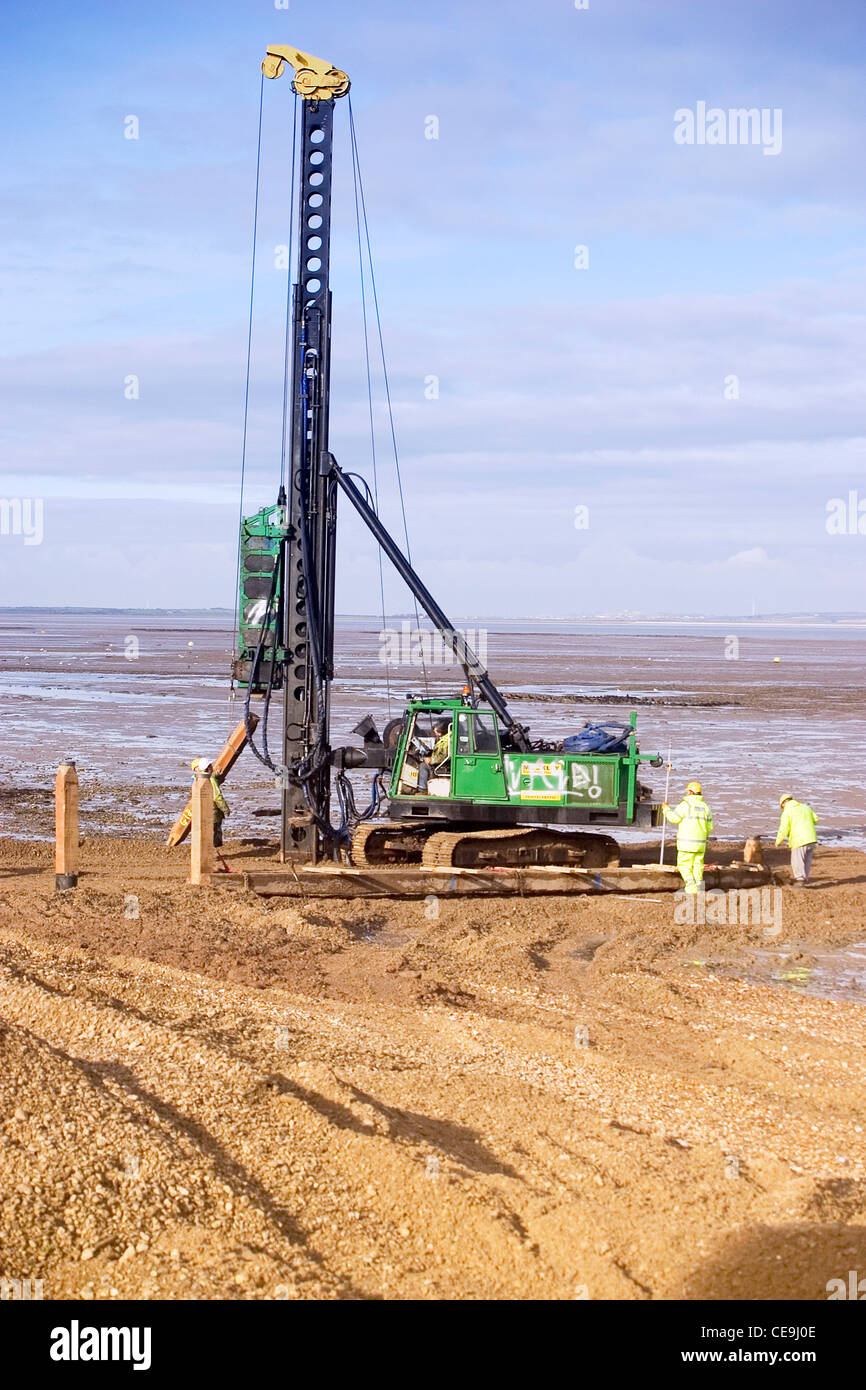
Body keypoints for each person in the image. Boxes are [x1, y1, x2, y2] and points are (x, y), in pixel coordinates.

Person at [662, 780, 714, 895]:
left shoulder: (686, 805)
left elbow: (674, 818)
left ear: (690, 792)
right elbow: (710, 827)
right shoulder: (706, 807)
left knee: (684, 865)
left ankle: (691, 888)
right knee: (697, 865)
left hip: (686, 844)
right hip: (700, 844)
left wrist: (666, 809)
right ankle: (700, 886)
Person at [775, 792, 818, 887]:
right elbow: (816, 819)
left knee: (797, 860)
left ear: (783, 803)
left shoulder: (787, 812)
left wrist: (778, 841)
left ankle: (799, 880)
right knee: (807, 860)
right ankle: (804, 879)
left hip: (799, 839)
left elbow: (784, 829)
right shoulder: (806, 807)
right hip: (812, 838)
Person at [191, 758, 230, 846]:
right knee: (215, 833)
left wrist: (216, 774)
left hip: (201, 812)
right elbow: (217, 797)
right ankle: (214, 850)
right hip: (213, 813)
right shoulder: (211, 780)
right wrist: (226, 809)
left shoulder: (195, 779)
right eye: (211, 766)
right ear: (208, 768)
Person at [416, 720, 451, 793]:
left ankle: (422, 788)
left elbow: (445, 756)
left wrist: (431, 760)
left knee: (423, 766)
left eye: (435, 732)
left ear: (440, 732)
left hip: (442, 765)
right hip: (439, 762)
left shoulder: (447, 740)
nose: (434, 734)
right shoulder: (445, 738)